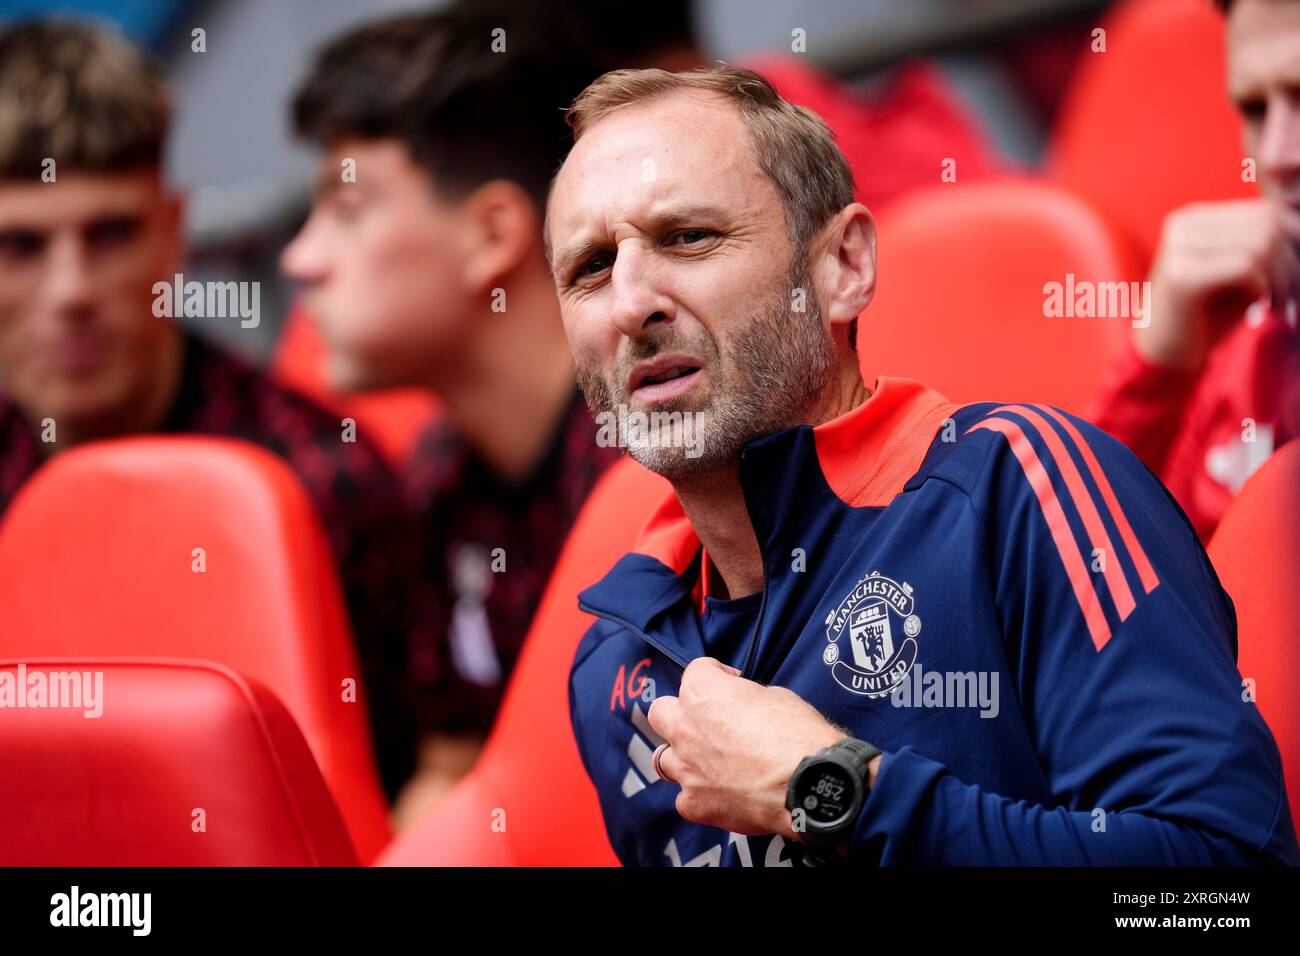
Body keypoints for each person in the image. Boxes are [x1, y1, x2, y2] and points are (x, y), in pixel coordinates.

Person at [549, 65, 1299, 865]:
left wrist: (829, 789)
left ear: (843, 266)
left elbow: (1220, 886)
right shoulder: (617, 661)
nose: (631, 304)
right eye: (590, 267)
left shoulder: (1020, 493)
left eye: (687, 238)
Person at [0, 19, 418, 799]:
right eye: (21, 246)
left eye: (110, 234)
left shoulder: (320, 483)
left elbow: (411, 791)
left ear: (173, 235)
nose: (71, 293)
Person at [280, 4, 623, 826]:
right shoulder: (441, 475)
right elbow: (452, 769)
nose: (300, 257)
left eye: (347, 210)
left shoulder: (662, 460)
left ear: (491, 234)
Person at [1088, 0, 1300, 542]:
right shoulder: (1248, 346)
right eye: (1254, 109)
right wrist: (1156, 369)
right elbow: (1079, 570)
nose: (1277, 154)